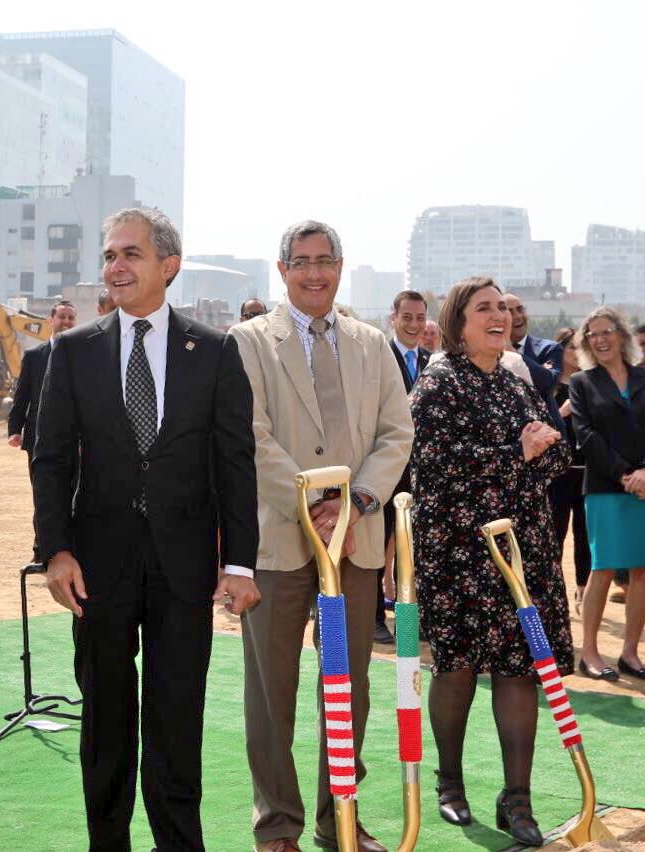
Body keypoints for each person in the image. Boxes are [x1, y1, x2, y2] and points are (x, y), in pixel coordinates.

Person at [33, 207, 260, 850]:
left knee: (176, 718)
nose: (115, 266)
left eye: (130, 253)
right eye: (109, 255)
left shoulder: (215, 352)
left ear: (169, 265)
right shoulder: (72, 352)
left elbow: (234, 465)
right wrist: (55, 550)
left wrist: (239, 563)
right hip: (96, 570)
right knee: (104, 720)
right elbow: (49, 460)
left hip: (184, 569)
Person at [229, 220, 412, 852]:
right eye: (301, 261)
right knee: (271, 692)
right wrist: (313, 501)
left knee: (349, 687)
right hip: (279, 539)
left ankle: (342, 818)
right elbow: (246, 436)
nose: (314, 272)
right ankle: (277, 827)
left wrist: (356, 502)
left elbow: (397, 433)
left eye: (324, 260)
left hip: (354, 542)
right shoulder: (249, 342)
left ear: (340, 266)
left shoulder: (372, 343)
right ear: (282, 270)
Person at [409, 276, 570, 848]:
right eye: (485, 308)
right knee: (456, 670)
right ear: (458, 321)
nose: (499, 315)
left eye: (502, 307)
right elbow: (434, 468)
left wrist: (541, 449)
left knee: (519, 668)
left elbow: (556, 452)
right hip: (460, 553)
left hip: (522, 550)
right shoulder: (438, 384)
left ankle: (516, 798)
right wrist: (516, 452)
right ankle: (449, 784)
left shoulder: (517, 383)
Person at [568, 307, 645, 683]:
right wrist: (626, 475)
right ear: (586, 342)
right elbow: (585, 436)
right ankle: (589, 651)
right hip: (607, 488)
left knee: (643, 570)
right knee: (602, 568)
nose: (600, 339)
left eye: (607, 331)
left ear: (621, 335)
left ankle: (630, 654)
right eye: (592, 334)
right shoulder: (581, 382)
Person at [377, 289, 430, 642]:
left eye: (419, 317)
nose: (413, 324)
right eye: (406, 317)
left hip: (423, 471)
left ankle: (416, 622)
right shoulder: (378, 356)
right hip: (385, 468)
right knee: (378, 544)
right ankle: (374, 620)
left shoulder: (434, 361)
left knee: (418, 547)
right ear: (393, 318)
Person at [549, 328, 592, 613]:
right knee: (555, 535)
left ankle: (583, 592)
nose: (577, 354)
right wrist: (562, 412)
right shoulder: (549, 386)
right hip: (558, 474)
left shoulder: (590, 385)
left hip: (589, 472)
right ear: (560, 351)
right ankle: (554, 596)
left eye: (581, 348)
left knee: (585, 537)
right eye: (571, 348)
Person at [7, 300, 77, 455]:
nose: (66, 321)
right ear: (50, 320)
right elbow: (22, 395)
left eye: (71, 318)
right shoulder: (33, 356)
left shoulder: (83, 356)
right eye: (62, 316)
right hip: (38, 436)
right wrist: (15, 430)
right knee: (39, 479)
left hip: (72, 438)